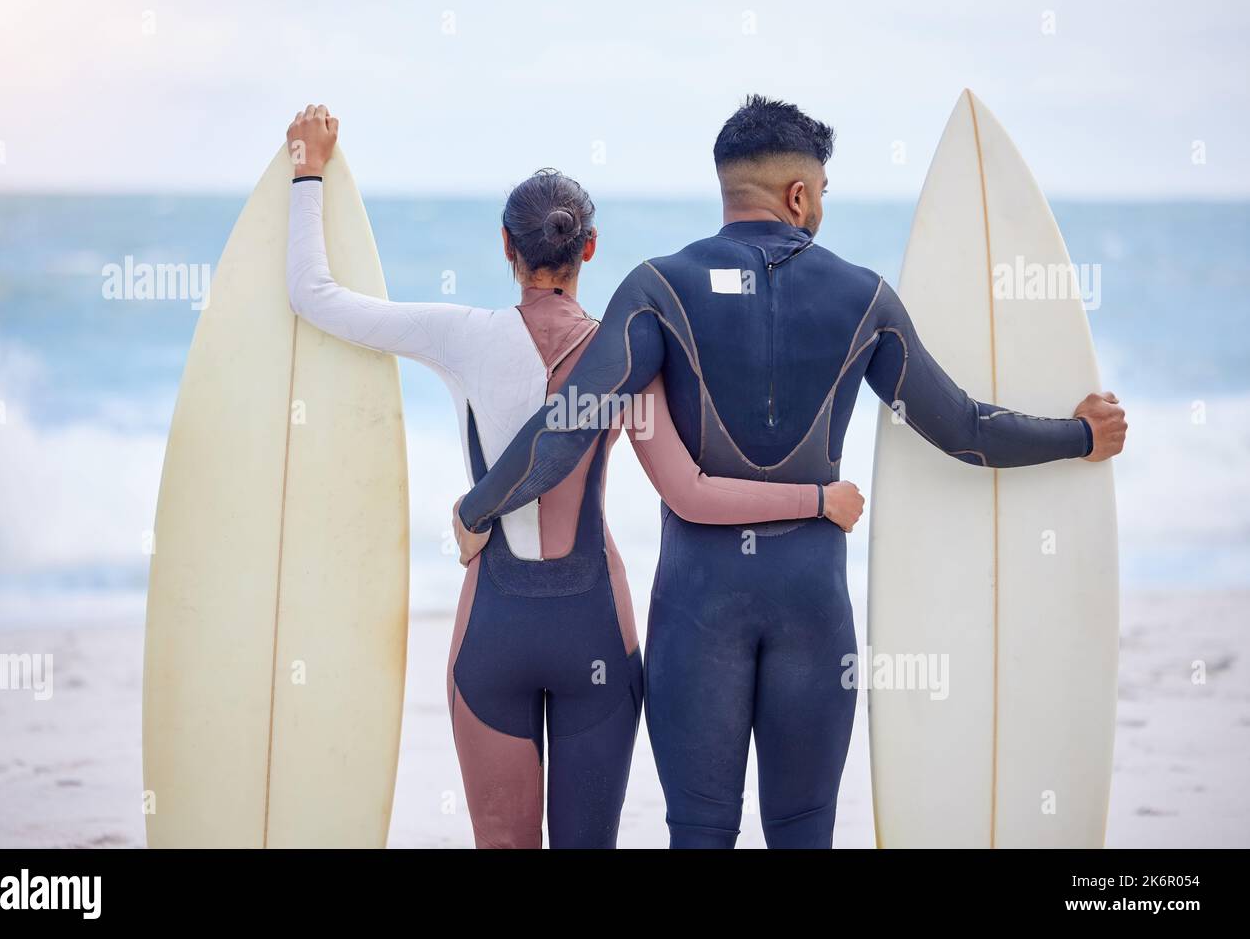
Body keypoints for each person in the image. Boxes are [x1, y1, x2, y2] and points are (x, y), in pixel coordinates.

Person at [455, 95, 1128, 849]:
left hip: (696, 608)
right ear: (800, 194)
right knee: (804, 833)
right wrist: (1079, 434)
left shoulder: (655, 289)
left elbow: (567, 429)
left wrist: (477, 508)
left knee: (701, 831)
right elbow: (964, 430)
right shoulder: (863, 296)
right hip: (812, 605)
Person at [282, 104, 862, 848]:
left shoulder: (459, 337)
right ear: (590, 247)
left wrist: (308, 170)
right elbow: (689, 492)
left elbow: (315, 296)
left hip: (493, 629)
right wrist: (818, 498)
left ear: (505, 247)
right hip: (597, 627)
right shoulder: (628, 357)